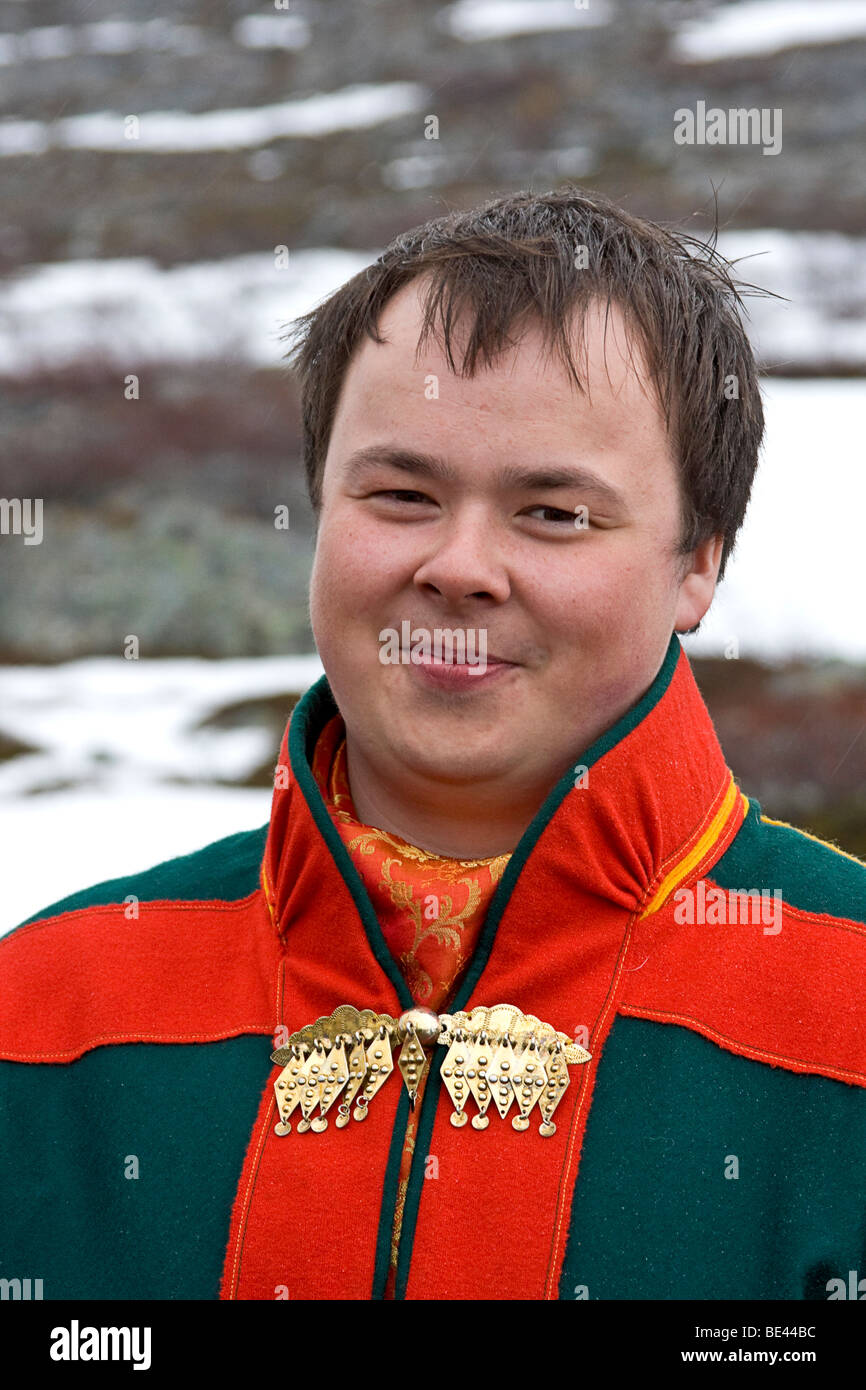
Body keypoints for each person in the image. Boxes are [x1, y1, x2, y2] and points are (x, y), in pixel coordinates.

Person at [2, 186, 864, 1302]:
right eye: (401, 492)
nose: (458, 565)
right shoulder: (46, 1018)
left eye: (552, 513)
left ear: (696, 559)